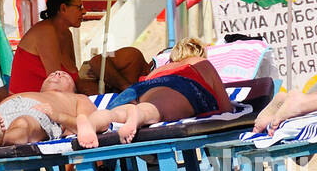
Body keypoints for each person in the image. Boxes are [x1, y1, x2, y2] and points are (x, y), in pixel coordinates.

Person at [74, 37, 234, 148]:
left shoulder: (160, 69)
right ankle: (137, 115)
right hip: (181, 84)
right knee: (153, 108)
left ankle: (91, 122)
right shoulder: (200, 62)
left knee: (116, 113)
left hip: (141, 87)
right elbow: (226, 108)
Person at [9, 0, 84, 94]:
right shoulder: (45, 32)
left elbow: (75, 81)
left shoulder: (67, 34)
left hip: (50, 101)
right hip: (28, 105)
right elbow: (58, 86)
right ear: (63, 8)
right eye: (79, 7)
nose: (84, 11)